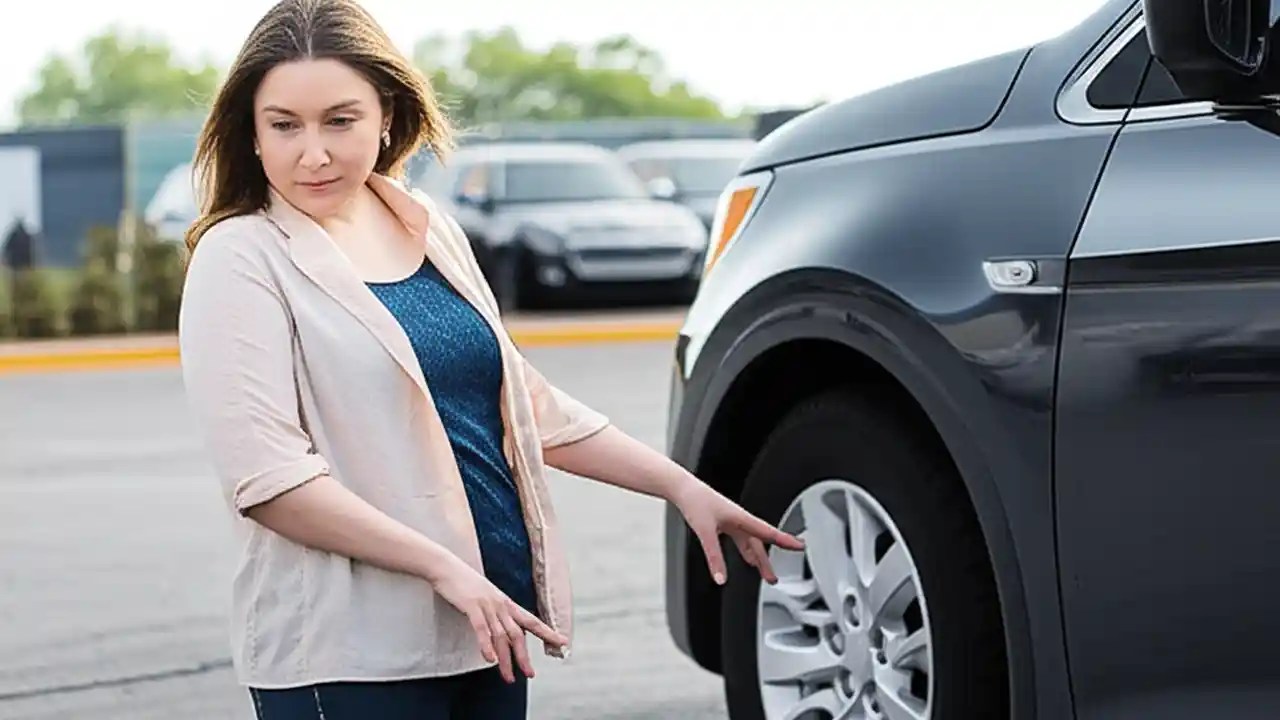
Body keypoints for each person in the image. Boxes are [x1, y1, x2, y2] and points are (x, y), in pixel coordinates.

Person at [176, 2, 805, 719]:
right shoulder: (241, 257)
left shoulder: (425, 223)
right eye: (284, 125)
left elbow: (523, 402)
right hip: (350, 654)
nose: (312, 153)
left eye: (339, 121)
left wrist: (684, 488)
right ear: (251, 135)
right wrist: (444, 569)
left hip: (490, 625)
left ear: (387, 116)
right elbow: (270, 481)